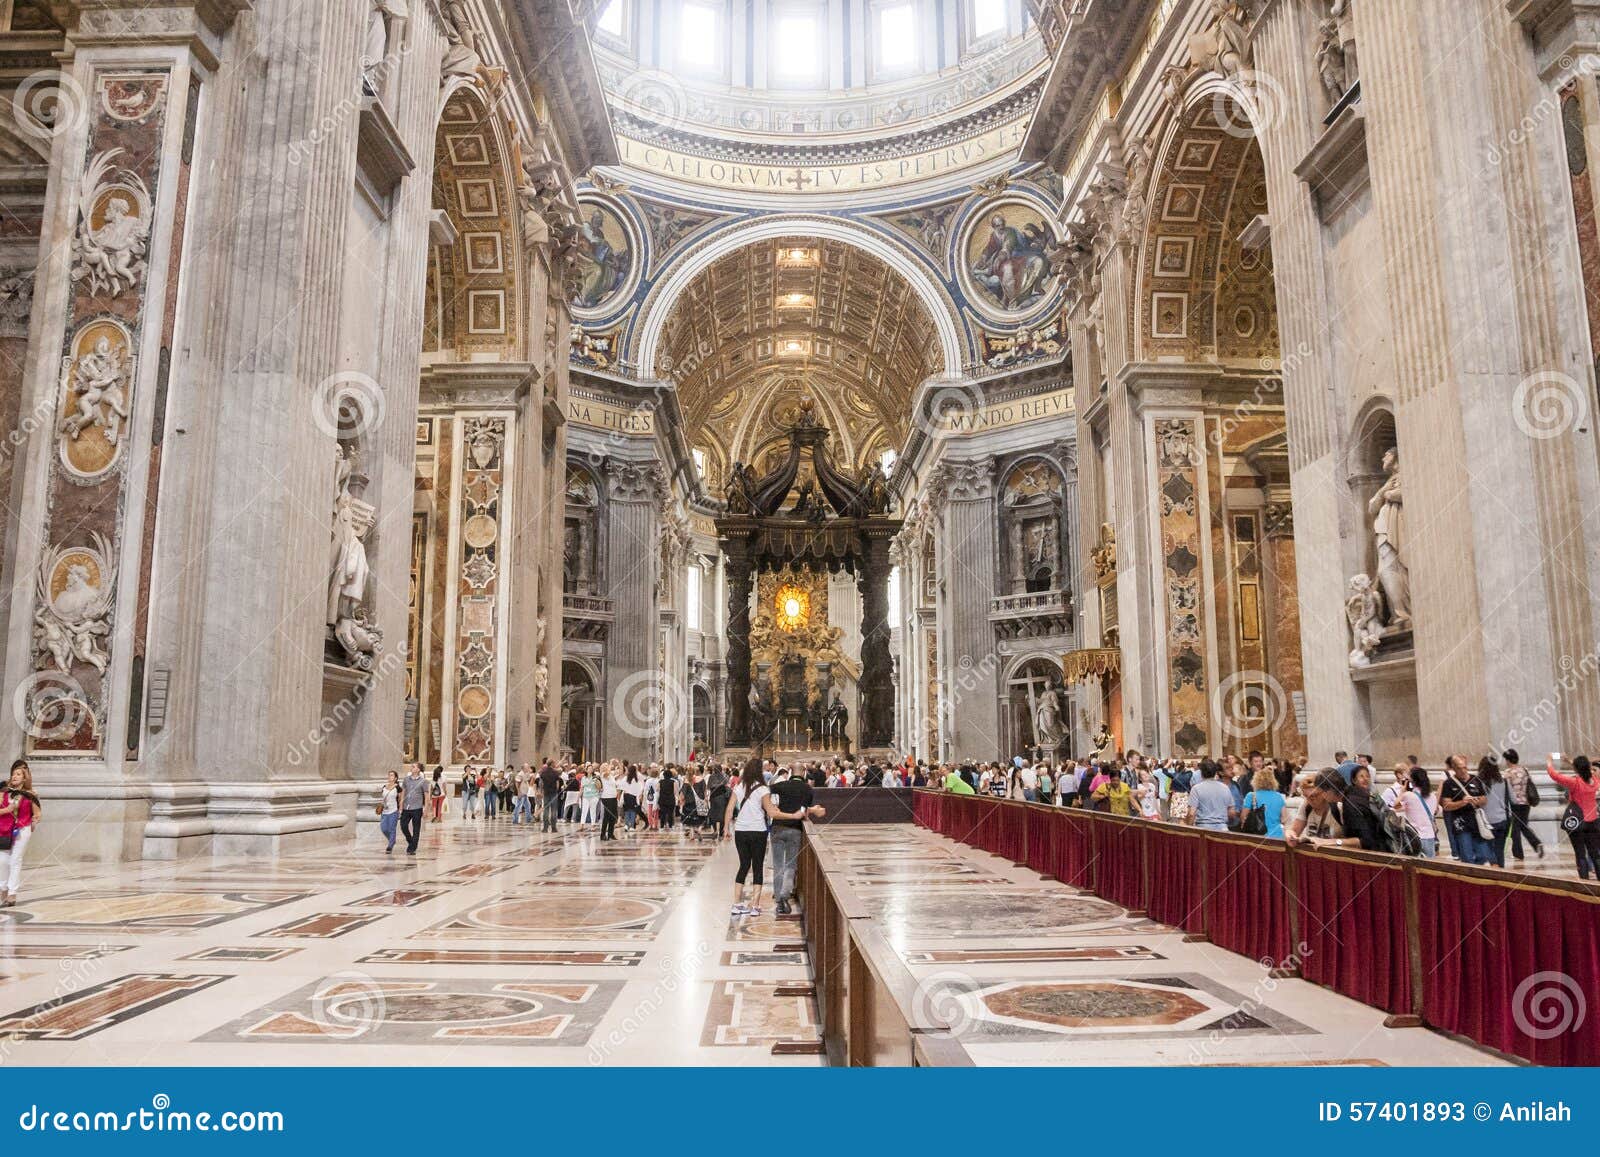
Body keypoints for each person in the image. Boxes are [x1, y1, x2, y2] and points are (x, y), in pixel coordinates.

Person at [725, 759, 807, 917]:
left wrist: (725, 829)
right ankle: (755, 906)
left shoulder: (739, 786)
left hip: (741, 831)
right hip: (758, 831)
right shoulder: (763, 789)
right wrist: (793, 815)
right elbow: (772, 813)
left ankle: (736, 903)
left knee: (743, 865)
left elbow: (729, 809)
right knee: (757, 866)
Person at [769, 769, 825, 915]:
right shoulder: (807, 789)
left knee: (777, 864)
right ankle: (784, 896)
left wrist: (774, 806)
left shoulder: (781, 785)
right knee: (790, 864)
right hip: (794, 829)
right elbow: (803, 811)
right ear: (804, 773)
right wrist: (812, 811)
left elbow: (766, 791)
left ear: (791, 772)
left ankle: (778, 900)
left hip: (777, 827)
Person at [1547, 753, 1600, 879]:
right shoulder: (1595, 780)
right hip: (1593, 821)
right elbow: (1583, 769)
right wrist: (1570, 761)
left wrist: (1549, 761)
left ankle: (1584, 880)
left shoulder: (1574, 782)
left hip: (1578, 821)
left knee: (1580, 853)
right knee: (1595, 854)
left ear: (1576, 769)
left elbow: (1554, 775)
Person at [1439, 754, 1492, 865]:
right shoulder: (1449, 784)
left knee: (1483, 855)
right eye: (1459, 768)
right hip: (1461, 825)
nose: (1463, 771)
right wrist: (1462, 802)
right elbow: (1446, 805)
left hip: (1477, 823)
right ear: (1453, 768)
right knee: (1467, 856)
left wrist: (1478, 801)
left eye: (1465, 767)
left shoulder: (1475, 780)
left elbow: (1484, 799)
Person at [0, 760, 40, 904]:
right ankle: (3, 888)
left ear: (24, 778)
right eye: (13, 774)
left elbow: (37, 813)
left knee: (15, 860)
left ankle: (12, 892)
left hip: (22, 829)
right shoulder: (3, 792)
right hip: (4, 829)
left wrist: (34, 822)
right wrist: (7, 810)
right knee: (2, 861)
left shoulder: (30, 794)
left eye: (18, 774)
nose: (15, 776)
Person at [1382, 762, 1437, 858]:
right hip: (1430, 836)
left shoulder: (1408, 795)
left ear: (1412, 781)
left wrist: (1403, 791)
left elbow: (1396, 805)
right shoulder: (1432, 796)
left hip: (1415, 837)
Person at [1501, 749, 1544, 863]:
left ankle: (1518, 854)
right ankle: (1536, 843)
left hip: (1514, 804)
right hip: (1526, 803)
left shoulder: (1507, 773)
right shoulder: (1525, 770)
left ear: (1508, 760)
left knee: (1515, 830)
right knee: (1523, 826)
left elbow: (1505, 790)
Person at [1478, 755, 1511, 867]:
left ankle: (1495, 870)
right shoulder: (1503, 781)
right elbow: (1513, 799)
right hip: (1502, 819)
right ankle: (1500, 871)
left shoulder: (1479, 782)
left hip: (1486, 822)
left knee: (1489, 851)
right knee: (1499, 850)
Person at [1185, 760, 1236, 831]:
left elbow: (1191, 814)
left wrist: (1188, 828)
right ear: (1215, 772)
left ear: (1201, 772)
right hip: (1223, 829)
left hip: (1203, 829)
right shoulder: (1225, 788)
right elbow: (1232, 813)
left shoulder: (1196, 789)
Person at [1241, 765, 1286, 838]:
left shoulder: (1251, 796)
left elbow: (1243, 817)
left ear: (1255, 781)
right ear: (1273, 781)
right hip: (1278, 835)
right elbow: (1284, 819)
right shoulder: (1279, 796)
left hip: (1258, 835)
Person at [399, 763, 427, 855]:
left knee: (416, 829)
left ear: (418, 769)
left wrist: (426, 809)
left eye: (414, 766)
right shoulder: (406, 780)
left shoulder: (423, 781)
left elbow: (426, 796)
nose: (411, 768)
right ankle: (411, 841)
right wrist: (401, 805)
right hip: (407, 807)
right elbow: (403, 792)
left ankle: (412, 848)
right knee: (403, 825)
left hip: (417, 808)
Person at [378, 769, 400, 853]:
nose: (390, 777)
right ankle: (392, 840)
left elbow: (400, 798)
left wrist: (400, 808)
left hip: (393, 811)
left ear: (395, 778)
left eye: (392, 775)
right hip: (384, 811)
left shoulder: (397, 787)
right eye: (389, 775)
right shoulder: (384, 787)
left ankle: (390, 846)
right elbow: (382, 798)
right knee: (384, 828)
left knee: (392, 828)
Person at [598, 763, 621, 841]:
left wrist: (619, 763)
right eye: (606, 766)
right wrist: (611, 764)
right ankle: (603, 834)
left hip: (613, 797)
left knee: (613, 816)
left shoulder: (611, 776)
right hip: (606, 797)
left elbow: (619, 773)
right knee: (607, 816)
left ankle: (611, 834)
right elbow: (607, 773)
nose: (608, 767)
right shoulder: (603, 774)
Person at [539, 760, 563, 832]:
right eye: (554, 763)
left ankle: (545, 828)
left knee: (546, 809)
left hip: (546, 793)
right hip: (553, 793)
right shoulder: (555, 773)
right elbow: (557, 783)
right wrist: (557, 790)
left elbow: (541, 783)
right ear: (552, 764)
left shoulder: (543, 772)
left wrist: (541, 791)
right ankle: (553, 828)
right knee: (553, 810)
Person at [660, 765, 678, 830]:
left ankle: (662, 826)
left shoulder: (660, 782)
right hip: (671, 799)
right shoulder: (673, 782)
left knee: (663, 813)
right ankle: (670, 826)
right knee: (670, 813)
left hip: (662, 799)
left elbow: (657, 790)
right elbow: (675, 791)